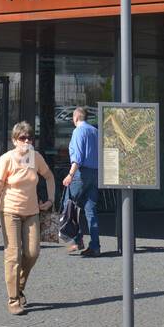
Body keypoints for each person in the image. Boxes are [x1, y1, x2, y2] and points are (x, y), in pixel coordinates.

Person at [0, 121, 54, 315]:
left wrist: (50, 200)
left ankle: (18, 286)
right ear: (14, 140)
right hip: (10, 211)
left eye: (29, 137)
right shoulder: (6, 159)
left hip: (32, 211)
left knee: (32, 253)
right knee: (13, 255)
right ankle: (13, 299)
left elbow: (49, 176)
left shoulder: (36, 157)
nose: (26, 141)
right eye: (22, 138)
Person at [61, 106, 102, 257]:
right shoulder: (95, 131)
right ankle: (95, 246)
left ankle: (75, 240)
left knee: (69, 203)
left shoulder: (78, 131)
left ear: (76, 118)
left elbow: (77, 157)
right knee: (90, 210)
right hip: (95, 173)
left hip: (81, 173)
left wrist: (70, 175)